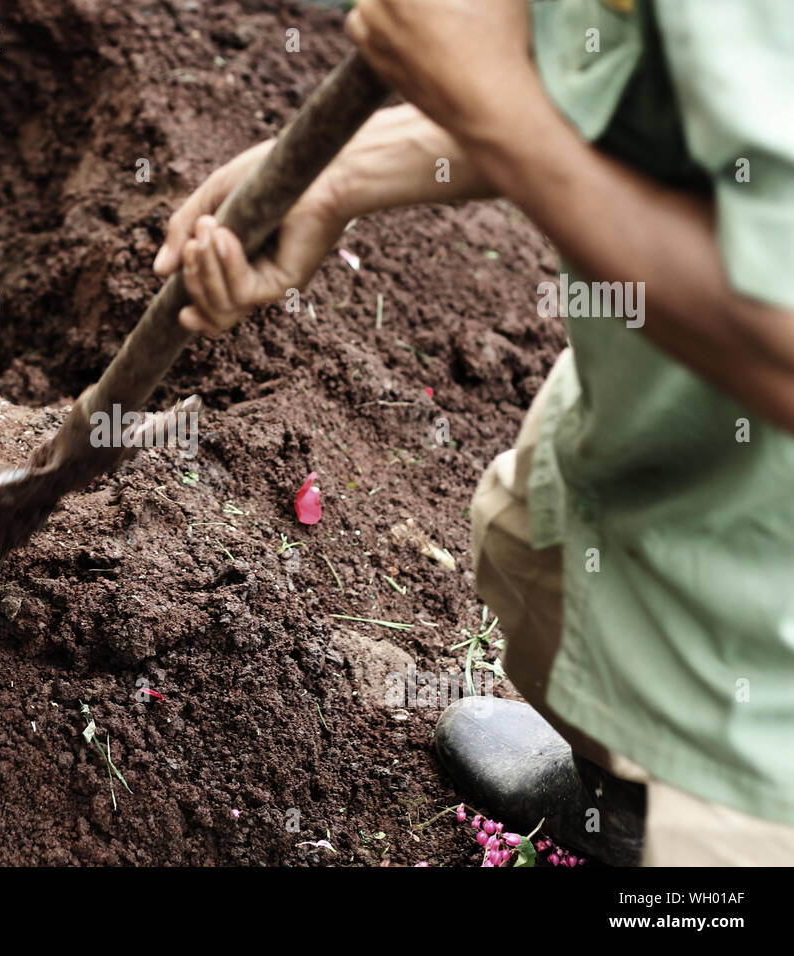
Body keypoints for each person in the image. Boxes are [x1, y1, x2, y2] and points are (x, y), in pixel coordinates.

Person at [154, 0, 794, 866]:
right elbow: (636, 92)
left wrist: (498, 115)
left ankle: (677, 811)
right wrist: (342, 168)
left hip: (762, 657)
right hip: (671, 416)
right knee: (535, 551)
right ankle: (625, 797)